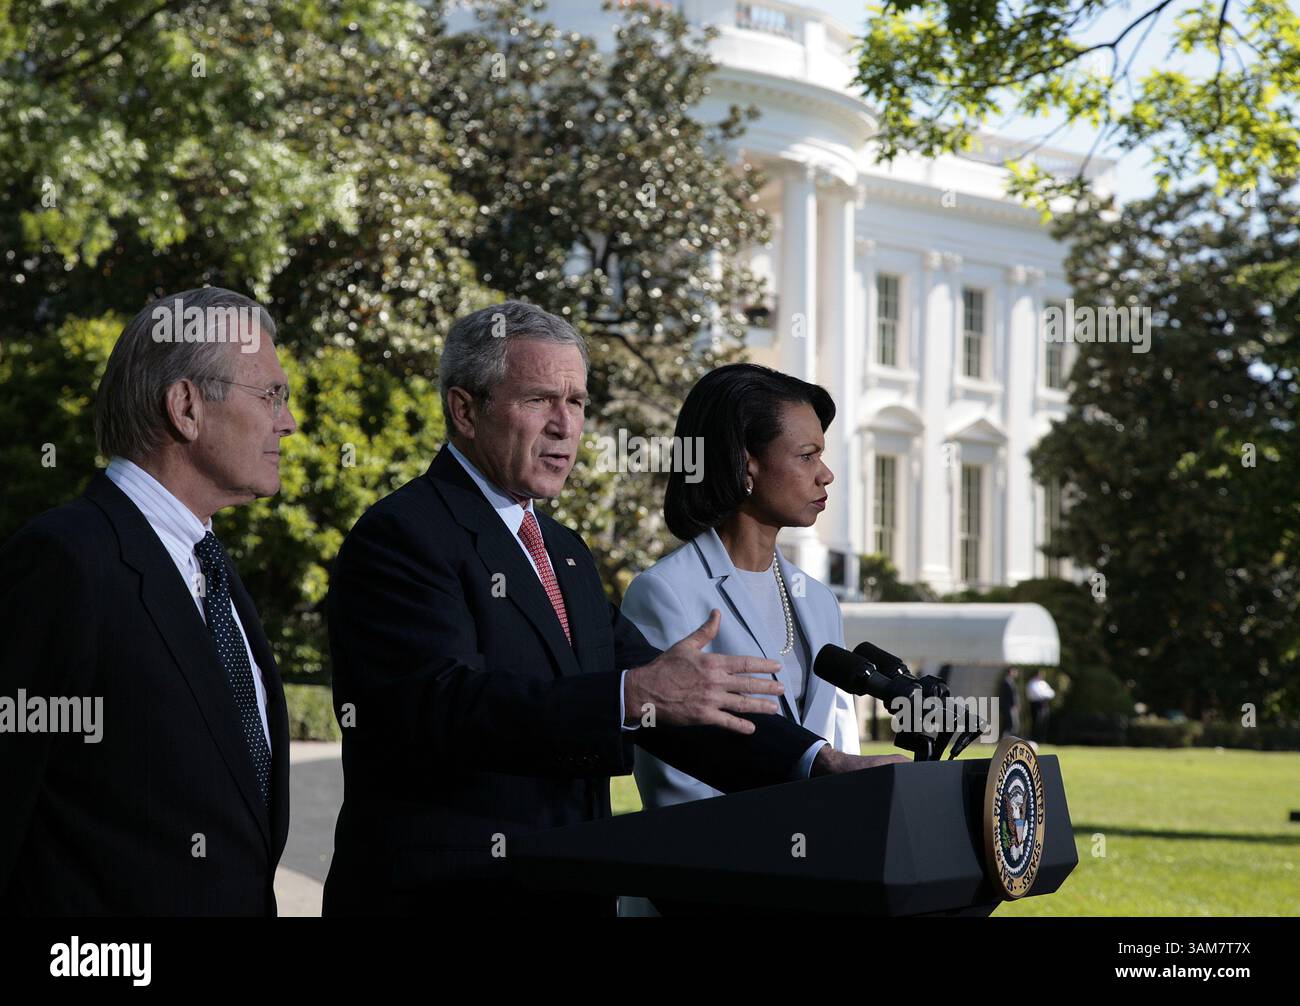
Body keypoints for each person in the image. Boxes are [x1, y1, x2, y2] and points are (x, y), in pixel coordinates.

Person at [323, 302, 860, 917]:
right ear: (465, 411)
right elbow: (442, 705)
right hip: (449, 901)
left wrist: (819, 763)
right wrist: (625, 697)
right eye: (539, 400)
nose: (564, 426)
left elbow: (679, 704)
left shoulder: (564, 551)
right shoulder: (401, 534)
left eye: (576, 402)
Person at [0, 287, 296, 915]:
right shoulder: (65, 560)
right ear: (186, 407)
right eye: (271, 395)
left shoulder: (208, 564)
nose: (287, 422)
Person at [618, 363, 907, 915]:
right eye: (807, 456)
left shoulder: (818, 600)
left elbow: (837, 749)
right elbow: (677, 782)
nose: (826, 475)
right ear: (745, 462)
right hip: (712, 895)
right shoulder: (664, 593)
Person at [1026, 669, 1056, 742]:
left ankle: (1042, 738)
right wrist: (1045, 694)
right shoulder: (1032, 683)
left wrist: (1045, 694)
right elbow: (1037, 694)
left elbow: (1051, 693)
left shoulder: (1043, 683)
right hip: (1036, 704)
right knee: (1036, 721)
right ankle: (1035, 738)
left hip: (1044, 704)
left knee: (1044, 722)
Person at [999, 666, 1021, 739]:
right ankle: (1005, 739)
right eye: (1015, 671)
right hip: (1008, 707)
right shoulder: (1006, 682)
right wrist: (1014, 705)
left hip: (1011, 707)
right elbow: (1009, 696)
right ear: (1011, 672)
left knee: (1011, 724)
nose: (1016, 673)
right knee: (1009, 724)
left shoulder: (1011, 682)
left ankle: (1008, 739)